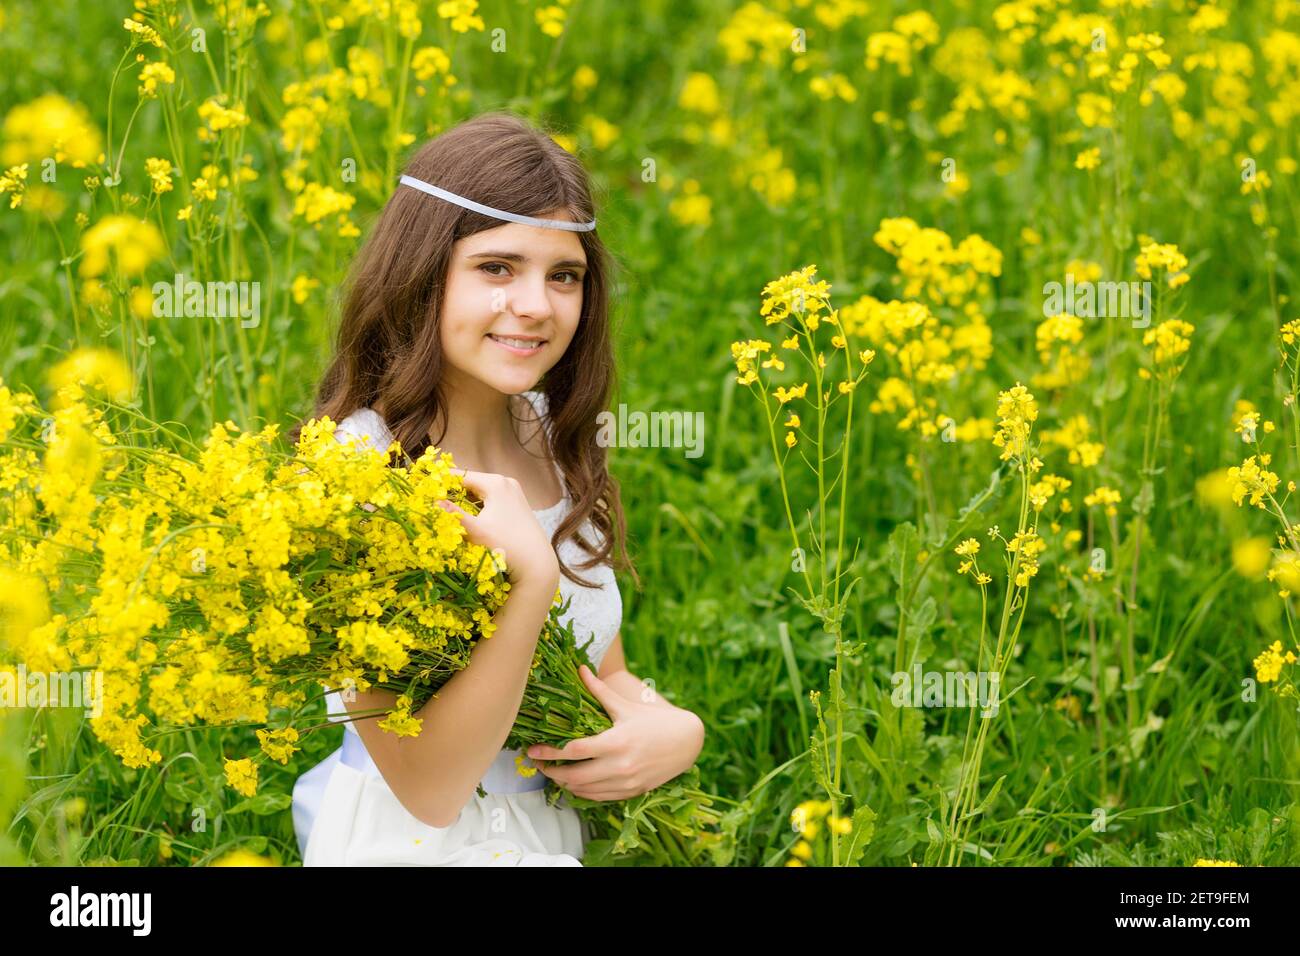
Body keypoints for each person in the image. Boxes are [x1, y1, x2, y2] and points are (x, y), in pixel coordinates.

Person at [290, 111, 706, 866]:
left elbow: (598, 673)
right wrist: (530, 582)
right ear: (422, 273)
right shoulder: (356, 475)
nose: (538, 306)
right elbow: (429, 786)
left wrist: (675, 728)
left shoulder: (553, 432)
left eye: (565, 276)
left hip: (549, 840)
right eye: (496, 268)